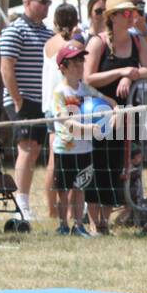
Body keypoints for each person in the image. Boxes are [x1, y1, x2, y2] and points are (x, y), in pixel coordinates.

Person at [84, 0, 147, 234]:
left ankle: (104, 222)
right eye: (126, 13)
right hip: (99, 114)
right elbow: (88, 78)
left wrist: (131, 74)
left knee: (117, 168)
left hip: (126, 117)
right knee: (97, 167)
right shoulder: (98, 42)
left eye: (134, 12)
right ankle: (94, 222)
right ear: (112, 17)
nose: (131, 17)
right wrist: (121, 71)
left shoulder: (137, 41)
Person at [50, 43, 116, 237]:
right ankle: (63, 225)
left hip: (84, 150)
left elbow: (109, 102)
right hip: (64, 149)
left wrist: (115, 113)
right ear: (63, 67)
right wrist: (88, 128)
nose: (80, 65)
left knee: (80, 189)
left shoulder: (86, 90)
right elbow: (64, 119)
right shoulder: (59, 92)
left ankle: (78, 225)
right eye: (75, 62)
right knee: (63, 190)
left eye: (81, 61)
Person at [0, 0, 53, 222]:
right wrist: (17, 99)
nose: (47, 5)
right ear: (28, 2)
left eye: (48, 2)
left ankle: (24, 201)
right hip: (23, 100)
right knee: (26, 148)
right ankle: (20, 203)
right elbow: (6, 67)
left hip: (41, 100)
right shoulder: (14, 30)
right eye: (42, 1)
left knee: (34, 151)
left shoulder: (47, 33)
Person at [42, 3, 82, 221]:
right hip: (66, 104)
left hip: (49, 105)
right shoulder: (74, 44)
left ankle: (52, 210)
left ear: (55, 22)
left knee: (53, 159)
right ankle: (68, 211)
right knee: (69, 160)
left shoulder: (49, 44)